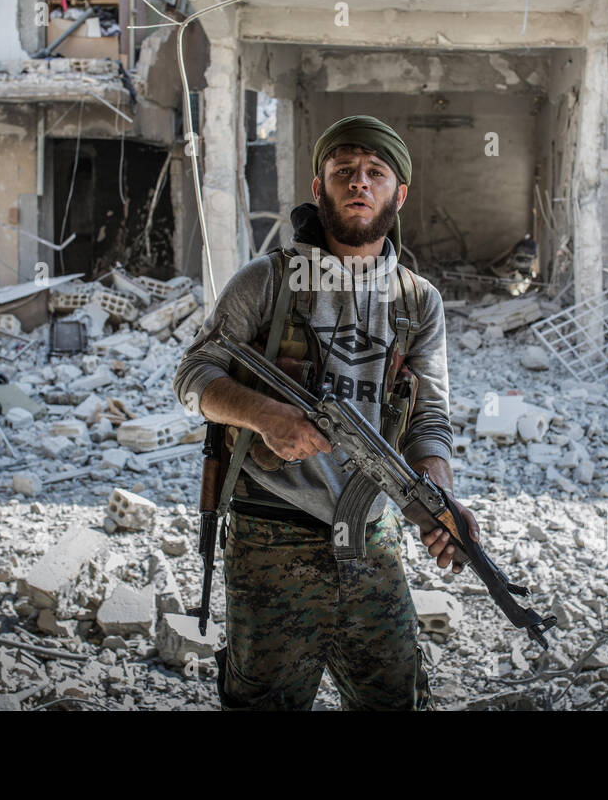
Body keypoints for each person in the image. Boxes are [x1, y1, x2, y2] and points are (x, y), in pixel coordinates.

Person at [172, 114, 479, 710]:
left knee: (395, 698)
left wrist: (437, 500)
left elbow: (429, 421)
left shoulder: (418, 302)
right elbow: (192, 377)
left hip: (374, 537)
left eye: (375, 173)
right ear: (319, 188)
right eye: (343, 172)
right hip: (271, 535)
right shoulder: (267, 282)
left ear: (400, 194)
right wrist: (265, 415)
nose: (358, 183)